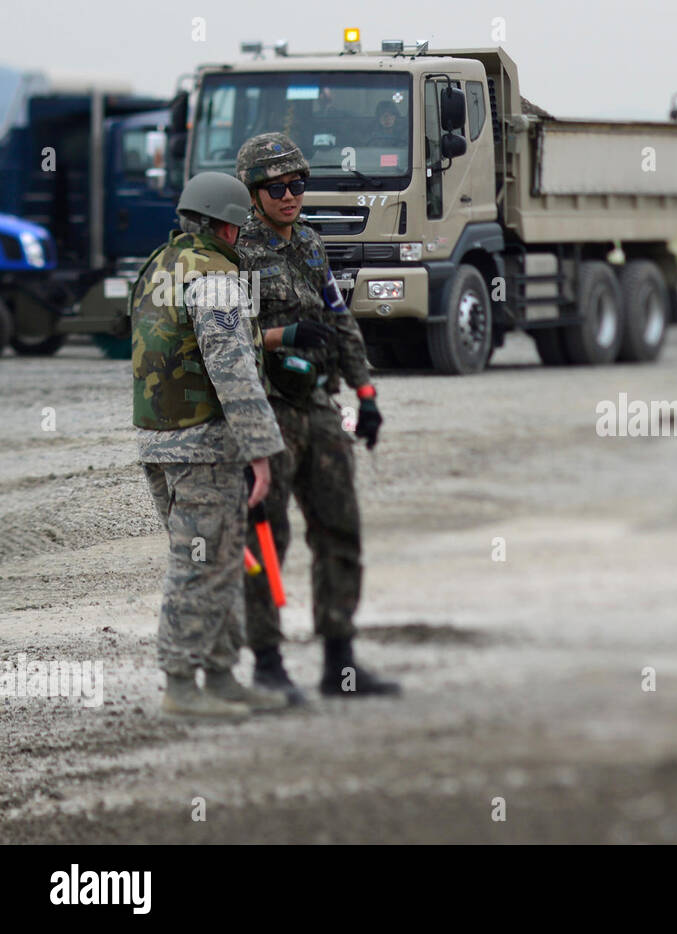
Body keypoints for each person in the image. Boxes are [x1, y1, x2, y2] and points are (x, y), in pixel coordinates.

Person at [234, 132, 399, 702]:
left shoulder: (309, 244)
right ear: (253, 193)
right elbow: (220, 338)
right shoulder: (236, 253)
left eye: (297, 184)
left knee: (339, 529)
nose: (289, 195)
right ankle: (268, 663)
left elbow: (341, 320)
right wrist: (281, 336)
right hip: (268, 412)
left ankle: (340, 663)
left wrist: (367, 393)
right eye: (276, 187)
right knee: (265, 541)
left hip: (320, 408)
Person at [132, 171, 289, 720]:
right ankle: (182, 682)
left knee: (221, 558)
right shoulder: (217, 277)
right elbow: (233, 368)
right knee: (201, 562)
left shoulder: (157, 265)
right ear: (226, 226)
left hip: (159, 439)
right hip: (203, 444)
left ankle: (220, 675)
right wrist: (262, 447)